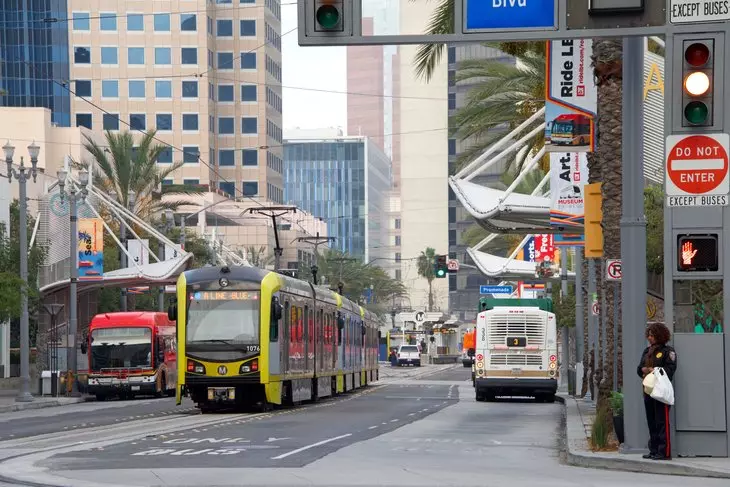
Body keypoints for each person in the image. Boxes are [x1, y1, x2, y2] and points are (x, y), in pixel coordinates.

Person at [636, 322, 677, 461]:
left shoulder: (668, 352)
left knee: (662, 421)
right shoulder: (646, 352)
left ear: (660, 336)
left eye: (652, 335)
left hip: (661, 392)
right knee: (651, 421)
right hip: (648, 390)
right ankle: (653, 450)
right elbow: (639, 368)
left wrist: (653, 370)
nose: (650, 337)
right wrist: (642, 370)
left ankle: (664, 451)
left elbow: (670, 370)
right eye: (649, 335)